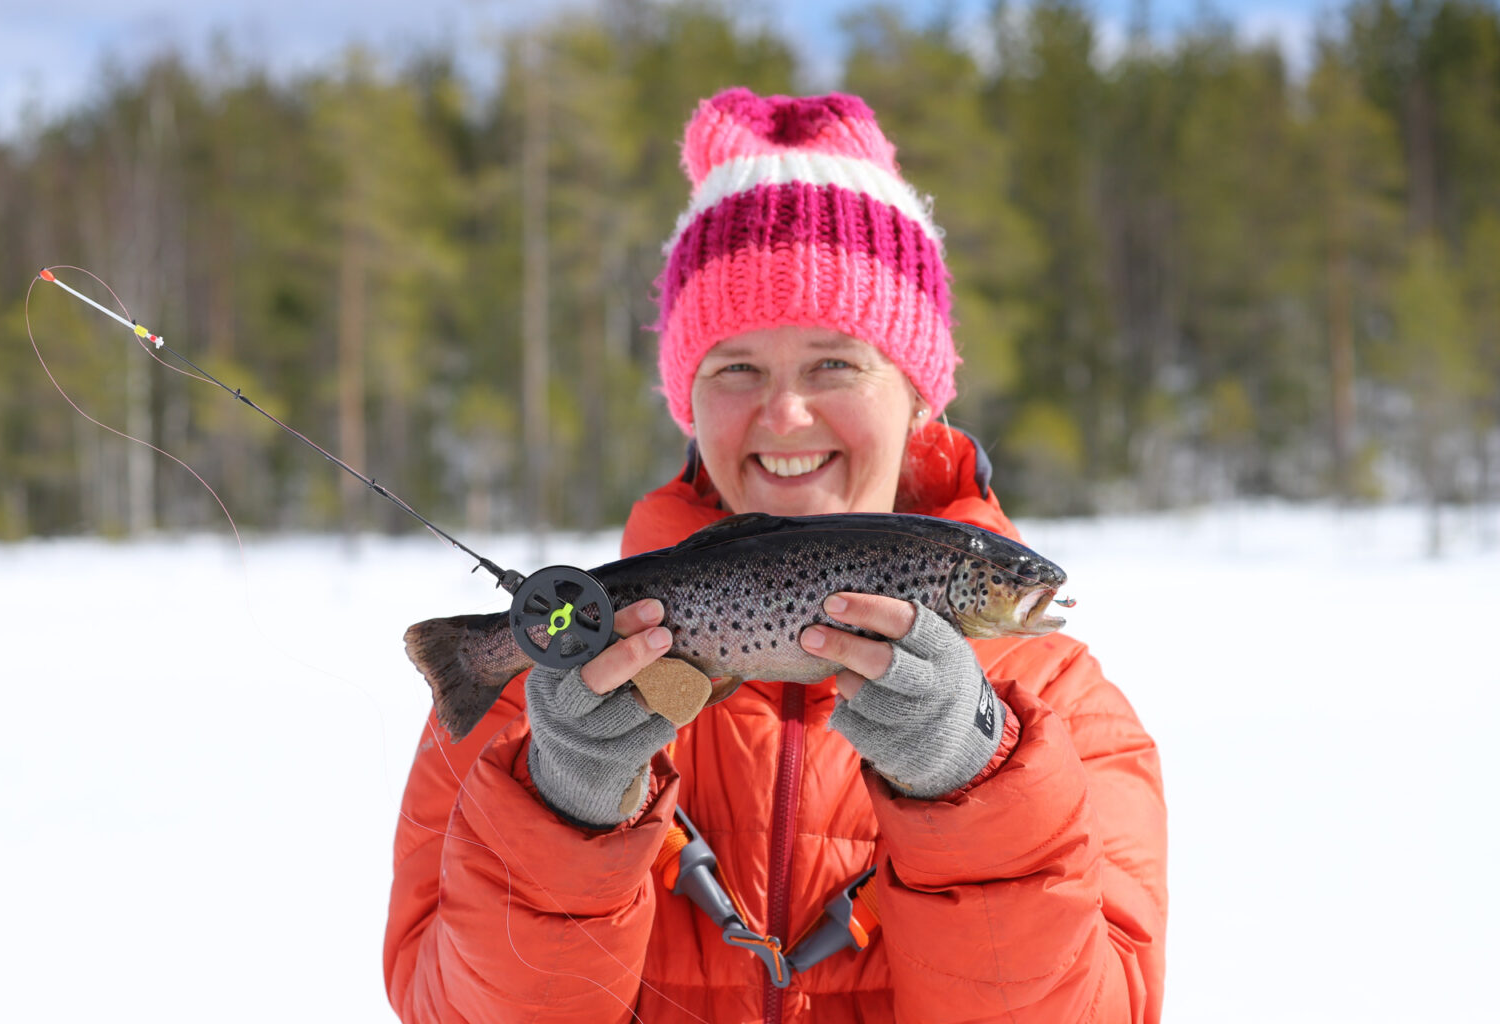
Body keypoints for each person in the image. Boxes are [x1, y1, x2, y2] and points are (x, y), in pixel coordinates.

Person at [384, 87, 1166, 1023]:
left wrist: (976, 786)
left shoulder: (1062, 714)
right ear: (686, 398)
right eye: (737, 368)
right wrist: (563, 811)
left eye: (834, 363)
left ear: (919, 394)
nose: (785, 415)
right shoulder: (542, 687)